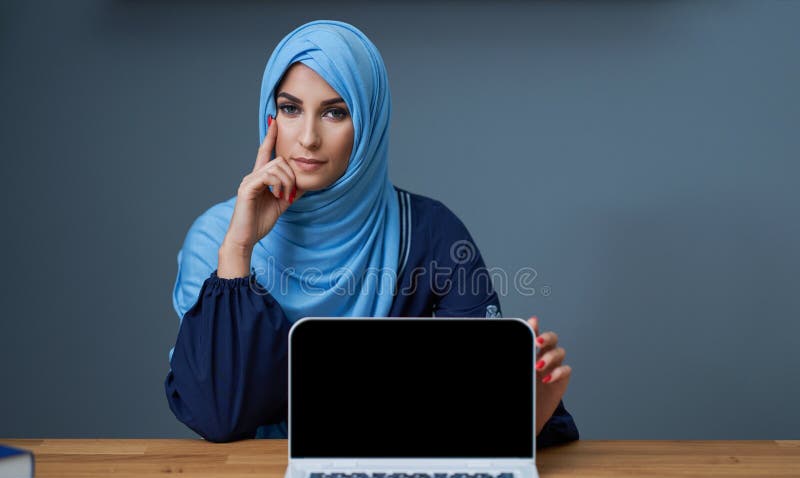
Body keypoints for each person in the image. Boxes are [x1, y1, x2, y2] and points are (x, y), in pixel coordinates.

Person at [165, 20, 578, 446]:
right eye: (291, 109)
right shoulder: (217, 237)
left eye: (335, 112)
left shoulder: (429, 234)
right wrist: (238, 249)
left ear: (369, 122)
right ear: (270, 118)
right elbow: (217, 415)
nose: (308, 138)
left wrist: (519, 416)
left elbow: (473, 410)